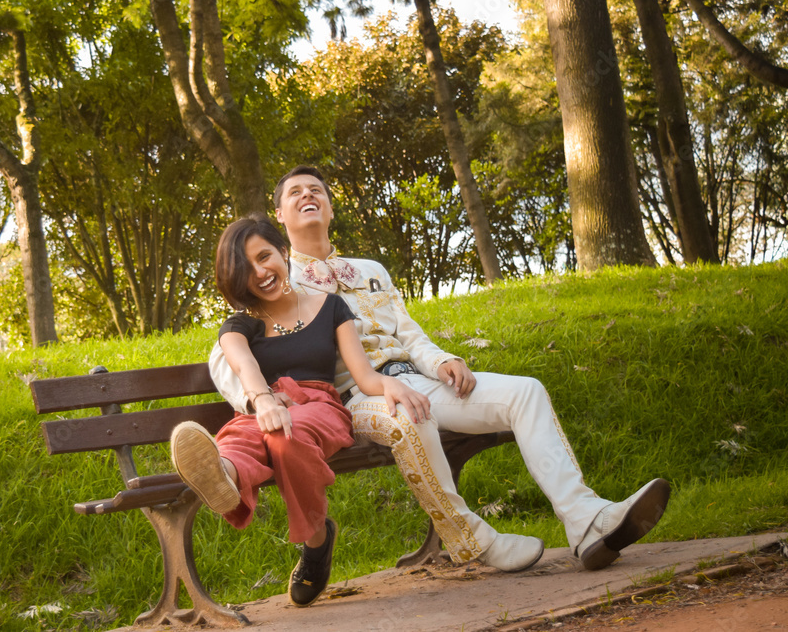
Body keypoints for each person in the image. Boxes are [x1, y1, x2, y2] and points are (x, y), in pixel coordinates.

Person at [209, 165, 671, 573]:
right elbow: (225, 355)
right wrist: (261, 399)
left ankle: (587, 520)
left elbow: (408, 332)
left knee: (525, 391)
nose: (308, 196)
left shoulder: (371, 270)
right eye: (295, 194)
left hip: (416, 379)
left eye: (317, 190)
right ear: (281, 220)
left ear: (329, 208)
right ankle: (471, 540)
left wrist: (442, 360)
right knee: (410, 417)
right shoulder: (276, 280)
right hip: (356, 398)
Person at [171, 214, 431, 607]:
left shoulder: (331, 307)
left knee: (286, 436)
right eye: (246, 268)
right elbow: (243, 365)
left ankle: (315, 540)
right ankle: (221, 474)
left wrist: (389, 382)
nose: (260, 272)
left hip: (320, 404)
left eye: (265, 257)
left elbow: (362, 375)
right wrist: (264, 400)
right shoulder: (240, 325)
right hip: (264, 407)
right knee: (243, 437)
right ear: (235, 280)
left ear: (284, 253)